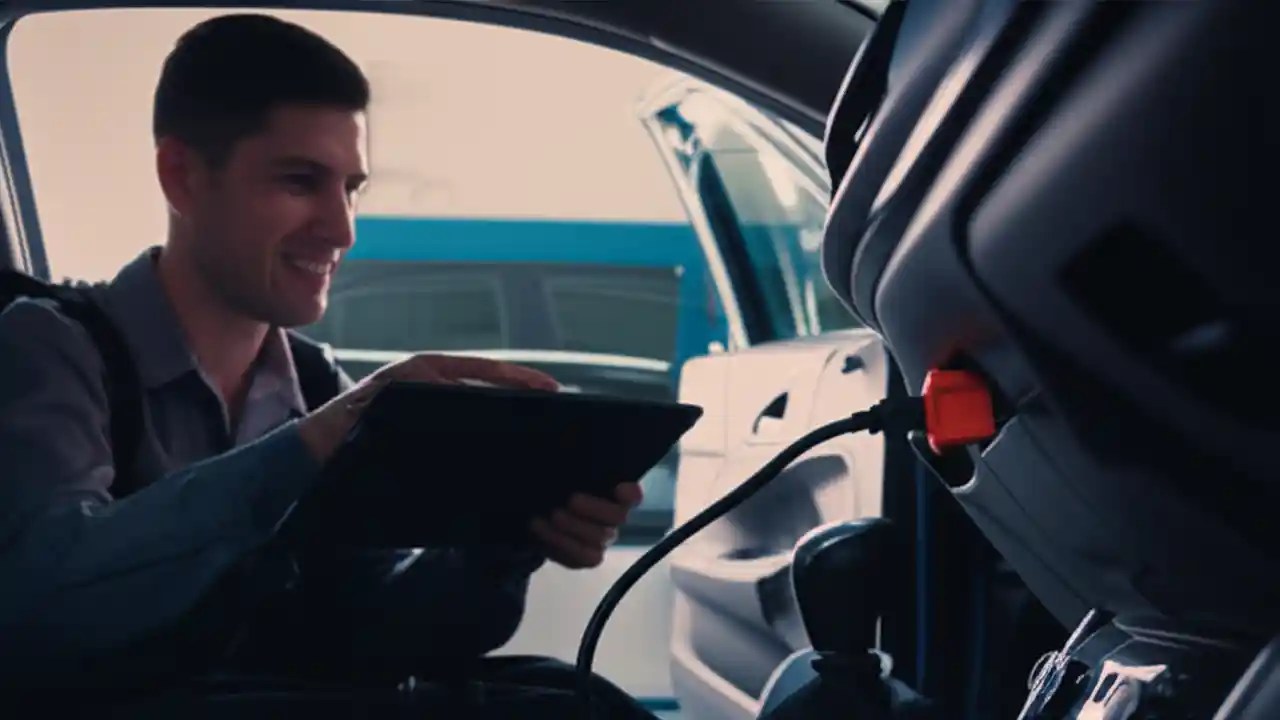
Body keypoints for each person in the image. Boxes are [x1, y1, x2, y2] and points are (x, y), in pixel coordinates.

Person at [0, 13, 659, 718]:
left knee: (572, 698)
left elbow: (370, 636)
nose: (342, 229)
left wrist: (502, 542)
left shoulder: (317, 385)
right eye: (300, 182)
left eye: (351, 188)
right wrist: (310, 446)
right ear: (182, 177)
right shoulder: (51, 345)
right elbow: (42, 615)